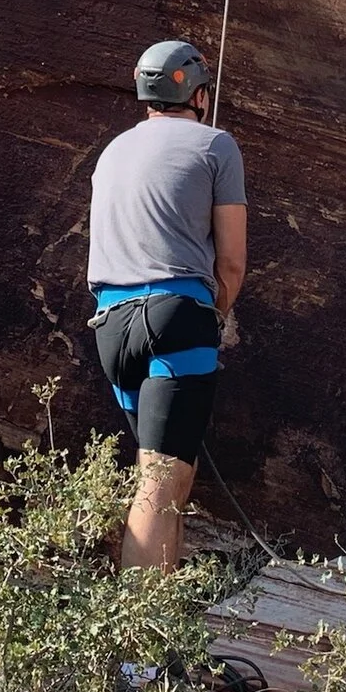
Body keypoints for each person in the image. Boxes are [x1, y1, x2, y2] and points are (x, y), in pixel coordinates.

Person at [86, 39, 247, 571]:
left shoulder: (112, 150)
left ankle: (161, 635)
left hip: (111, 325)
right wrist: (216, 317)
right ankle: (138, 653)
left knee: (164, 477)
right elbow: (231, 264)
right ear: (197, 93)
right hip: (175, 317)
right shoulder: (215, 145)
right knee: (161, 484)